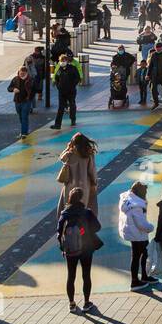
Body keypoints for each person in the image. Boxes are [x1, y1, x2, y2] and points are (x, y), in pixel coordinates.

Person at [57, 186, 103, 314]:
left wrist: (63, 247)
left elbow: (59, 233)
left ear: (70, 198)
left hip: (70, 250)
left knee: (71, 276)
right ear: (81, 198)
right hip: (86, 248)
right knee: (86, 275)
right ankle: (86, 303)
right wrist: (85, 231)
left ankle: (71, 303)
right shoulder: (87, 212)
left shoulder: (64, 214)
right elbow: (98, 227)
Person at [118, 181, 156, 291]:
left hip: (131, 231)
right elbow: (141, 224)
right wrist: (151, 227)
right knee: (141, 255)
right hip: (138, 234)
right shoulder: (136, 206)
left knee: (139, 255)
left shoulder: (126, 199)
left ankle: (143, 276)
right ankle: (135, 281)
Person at [56, 132, 99, 214]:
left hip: (70, 185)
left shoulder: (70, 154)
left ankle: (68, 224)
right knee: (84, 208)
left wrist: (68, 148)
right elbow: (92, 170)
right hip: (85, 185)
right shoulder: (88, 154)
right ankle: (83, 226)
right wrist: (94, 183)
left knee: (69, 207)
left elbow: (61, 158)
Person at [52, 54, 81, 128]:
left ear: (67, 61)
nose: (62, 62)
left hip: (71, 91)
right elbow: (56, 78)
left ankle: (73, 119)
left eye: (64, 61)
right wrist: (58, 86)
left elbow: (77, 78)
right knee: (61, 107)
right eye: (61, 61)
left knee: (72, 105)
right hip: (62, 91)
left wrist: (72, 85)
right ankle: (57, 124)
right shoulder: (60, 69)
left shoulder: (72, 68)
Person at [7, 67, 36, 139]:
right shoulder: (15, 79)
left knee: (24, 116)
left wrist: (29, 98)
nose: (21, 75)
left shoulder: (30, 80)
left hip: (26, 101)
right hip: (17, 101)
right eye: (20, 73)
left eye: (23, 73)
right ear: (18, 72)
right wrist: (13, 89)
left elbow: (34, 90)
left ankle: (24, 133)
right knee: (20, 116)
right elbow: (9, 88)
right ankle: (25, 129)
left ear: (26, 73)